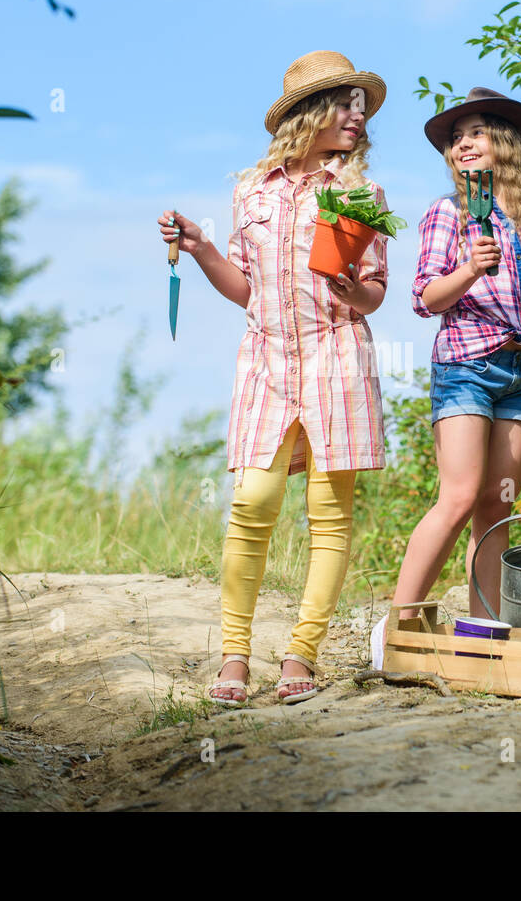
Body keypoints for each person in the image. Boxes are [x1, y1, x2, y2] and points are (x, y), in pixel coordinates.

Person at [159, 51, 390, 704]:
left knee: (328, 515)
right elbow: (245, 288)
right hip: (266, 363)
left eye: (362, 107)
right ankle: (234, 655)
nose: (358, 116)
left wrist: (353, 287)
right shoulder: (251, 192)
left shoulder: (362, 196)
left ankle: (300, 654)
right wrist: (203, 248)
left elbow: (373, 293)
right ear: (309, 113)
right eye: (345, 104)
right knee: (252, 503)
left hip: (337, 358)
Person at [372, 87, 521, 666]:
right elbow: (426, 297)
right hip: (465, 368)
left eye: (473, 133)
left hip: (519, 374)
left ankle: (483, 637)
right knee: (457, 498)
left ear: (505, 144)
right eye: (455, 140)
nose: (461, 145)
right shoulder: (447, 214)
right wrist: (469, 268)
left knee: (496, 507)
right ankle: (398, 629)